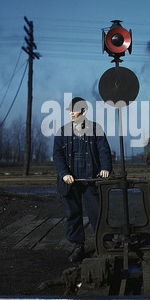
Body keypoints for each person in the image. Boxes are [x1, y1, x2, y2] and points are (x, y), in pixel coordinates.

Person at [53, 97, 112, 262]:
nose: (71, 113)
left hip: (90, 180)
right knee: (73, 214)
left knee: (97, 213)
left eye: (74, 110)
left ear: (84, 111)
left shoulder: (96, 129)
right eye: (70, 110)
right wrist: (64, 173)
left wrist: (105, 168)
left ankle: (105, 243)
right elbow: (57, 155)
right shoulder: (62, 131)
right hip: (70, 182)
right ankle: (78, 246)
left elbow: (104, 150)